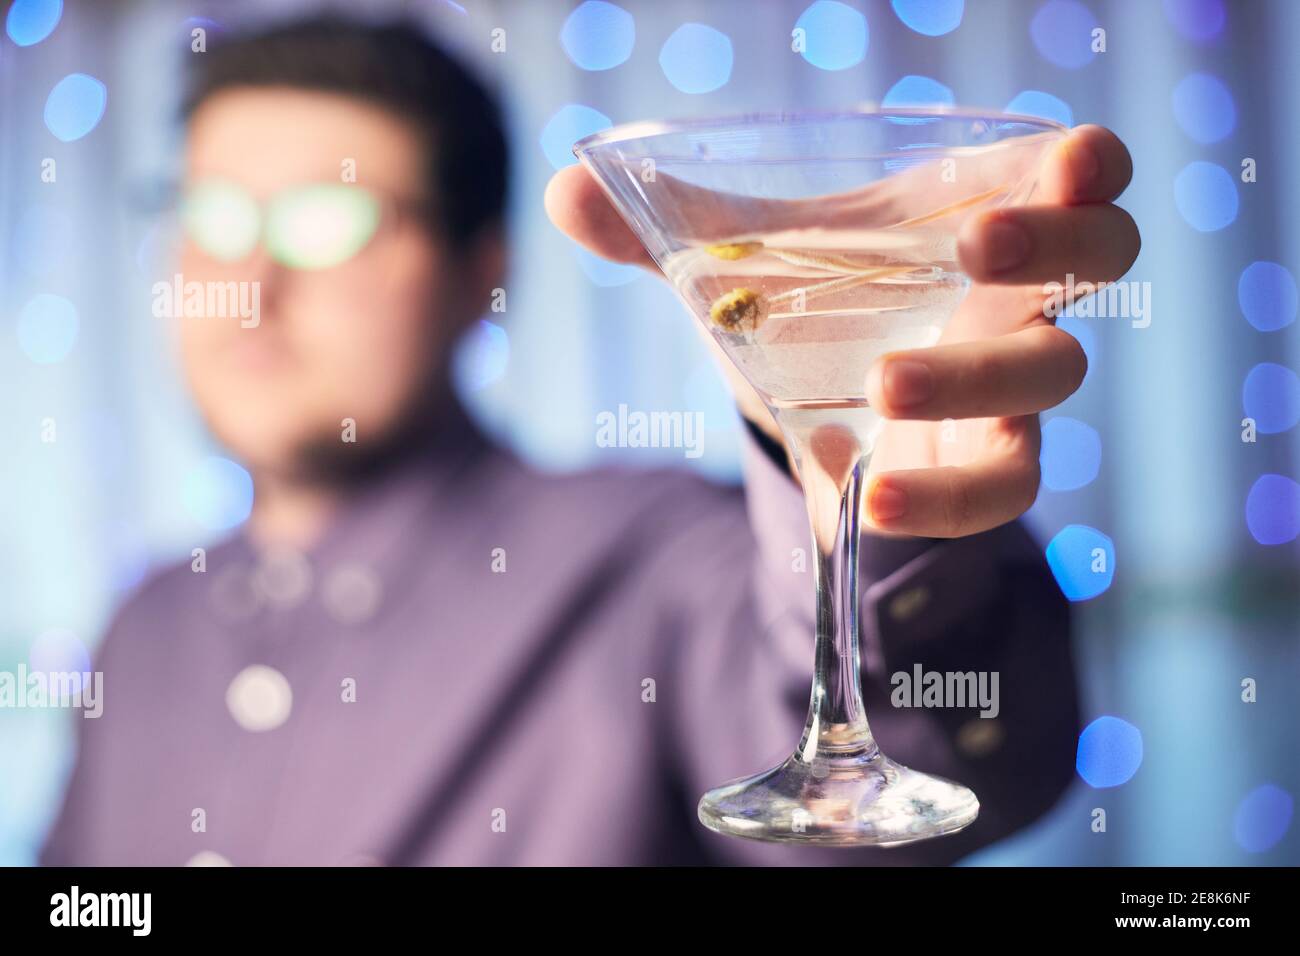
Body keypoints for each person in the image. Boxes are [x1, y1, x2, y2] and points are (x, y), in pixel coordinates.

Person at [41, 16, 1138, 866]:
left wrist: (866, 476)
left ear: (483, 271)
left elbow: (889, 807)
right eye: (213, 218)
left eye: (326, 221)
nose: (249, 284)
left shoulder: (652, 554)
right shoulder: (144, 628)